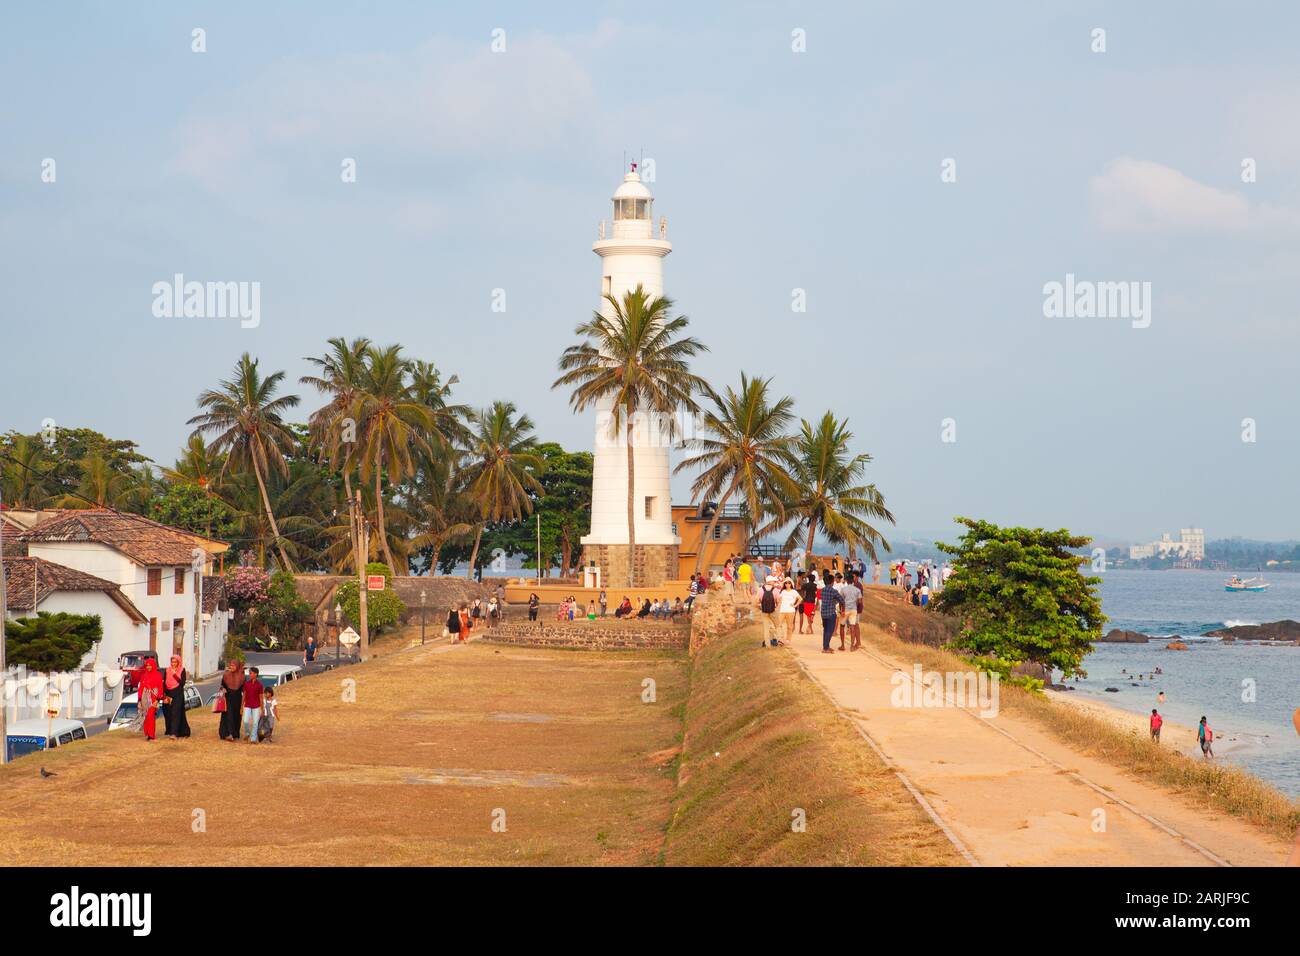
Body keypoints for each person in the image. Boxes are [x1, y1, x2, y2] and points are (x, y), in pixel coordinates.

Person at [134, 658, 164, 742]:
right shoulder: (144, 675)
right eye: (147, 665)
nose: (148, 667)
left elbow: (160, 688)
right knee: (146, 716)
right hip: (144, 698)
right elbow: (140, 689)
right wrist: (139, 701)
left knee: (151, 716)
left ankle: (151, 736)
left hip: (153, 699)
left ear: (153, 665)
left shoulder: (158, 675)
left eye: (150, 665)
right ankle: (147, 733)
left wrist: (157, 700)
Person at [162, 654, 191, 739]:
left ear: (178, 662)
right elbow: (164, 683)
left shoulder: (182, 670)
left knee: (176, 712)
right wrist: (164, 695)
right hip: (169, 693)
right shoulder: (167, 670)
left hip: (178, 694)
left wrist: (175, 675)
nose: (173, 663)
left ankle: (174, 733)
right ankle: (178, 731)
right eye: (172, 662)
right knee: (168, 712)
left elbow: (182, 683)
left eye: (175, 662)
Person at [818, 570, 845, 654]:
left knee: (825, 630)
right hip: (831, 613)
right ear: (832, 582)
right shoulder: (833, 591)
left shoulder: (823, 590)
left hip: (823, 613)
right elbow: (842, 600)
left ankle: (826, 646)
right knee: (830, 631)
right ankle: (826, 648)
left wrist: (834, 601)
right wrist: (837, 603)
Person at [218, 659, 244, 741]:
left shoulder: (242, 676)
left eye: (233, 666)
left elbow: (244, 690)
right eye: (231, 665)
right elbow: (222, 685)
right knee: (228, 716)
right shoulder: (226, 675)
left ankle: (235, 734)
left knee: (236, 716)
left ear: (237, 666)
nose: (231, 667)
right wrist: (223, 689)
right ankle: (228, 734)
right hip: (228, 698)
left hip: (237, 700)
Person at [242, 668, 265, 744]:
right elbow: (244, 696)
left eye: (251, 673)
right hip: (247, 705)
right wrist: (241, 707)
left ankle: (253, 738)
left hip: (256, 706)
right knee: (245, 721)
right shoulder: (246, 684)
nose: (250, 674)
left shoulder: (259, 685)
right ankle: (247, 733)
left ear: (256, 674)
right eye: (249, 673)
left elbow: (261, 698)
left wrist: (262, 709)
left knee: (255, 722)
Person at [841, 573, 862, 651]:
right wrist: (854, 604)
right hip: (853, 609)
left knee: (842, 626)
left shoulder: (843, 589)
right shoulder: (857, 590)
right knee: (852, 626)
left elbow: (841, 600)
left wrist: (842, 610)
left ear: (846, 581)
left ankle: (842, 645)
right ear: (853, 581)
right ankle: (852, 646)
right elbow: (860, 601)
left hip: (845, 609)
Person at [778, 578, 799, 644]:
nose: (787, 584)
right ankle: (780, 638)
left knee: (789, 626)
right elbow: (779, 599)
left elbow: (800, 599)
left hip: (790, 610)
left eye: (789, 583)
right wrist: (779, 603)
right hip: (782, 610)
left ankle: (788, 639)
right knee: (778, 624)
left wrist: (795, 606)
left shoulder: (794, 591)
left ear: (791, 584)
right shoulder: (783, 591)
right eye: (786, 583)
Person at [759, 581, 779, 646]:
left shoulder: (761, 589)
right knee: (777, 626)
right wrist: (776, 605)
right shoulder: (775, 589)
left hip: (764, 611)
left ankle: (768, 645)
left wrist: (761, 606)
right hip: (772, 610)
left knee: (766, 628)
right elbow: (778, 600)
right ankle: (779, 641)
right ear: (771, 582)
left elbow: (757, 600)